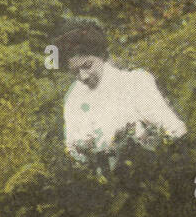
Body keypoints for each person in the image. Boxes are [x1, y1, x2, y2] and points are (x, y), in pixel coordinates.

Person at [53, 20, 186, 163]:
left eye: (87, 65)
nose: (83, 76)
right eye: (75, 72)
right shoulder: (74, 98)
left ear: (101, 55)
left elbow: (173, 130)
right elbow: (72, 148)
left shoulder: (134, 82)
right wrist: (82, 150)